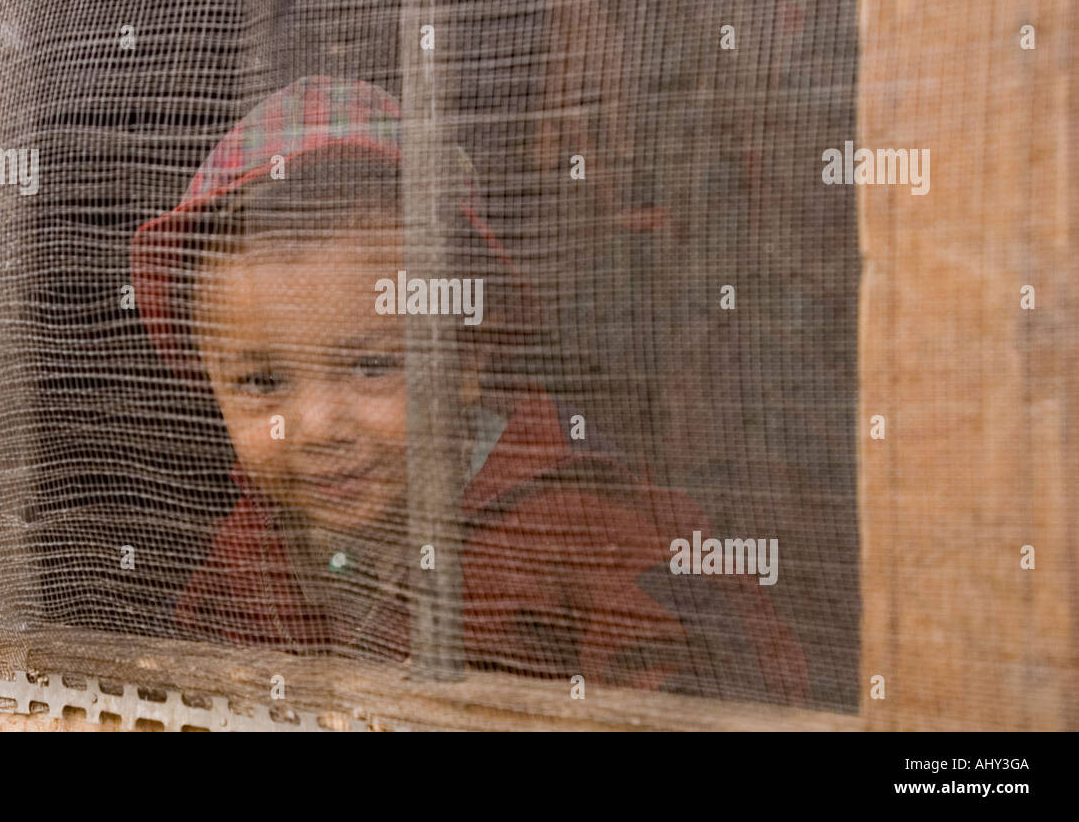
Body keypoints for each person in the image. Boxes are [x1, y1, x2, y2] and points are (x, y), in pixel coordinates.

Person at [130, 75, 808, 703]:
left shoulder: (580, 525)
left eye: (371, 367)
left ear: (466, 363)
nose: (315, 427)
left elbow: (705, 688)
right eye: (262, 381)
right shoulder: (253, 544)